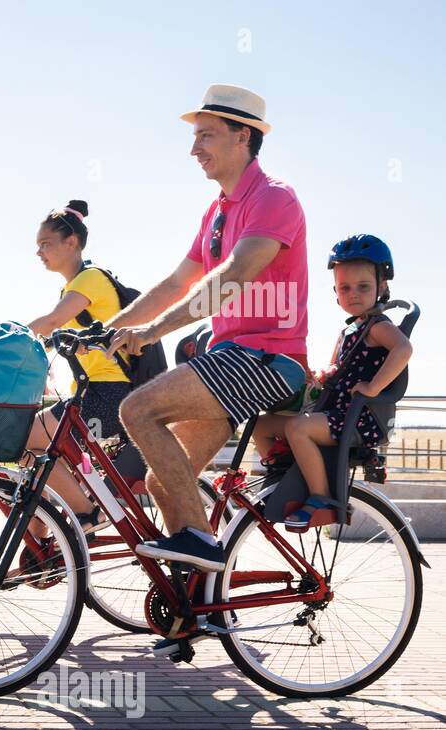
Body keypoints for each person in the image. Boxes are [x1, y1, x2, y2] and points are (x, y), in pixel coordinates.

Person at [107, 84, 309, 571]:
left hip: (269, 361)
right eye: (195, 137)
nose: (193, 148)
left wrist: (155, 330)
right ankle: (200, 602)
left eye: (206, 136)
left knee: (137, 409)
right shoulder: (217, 212)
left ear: (244, 136)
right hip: (229, 362)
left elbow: (234, 276)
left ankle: (201, 544)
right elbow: (178, 281)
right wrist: (107, 327)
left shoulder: (274, 198)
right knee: (161, 482)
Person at [270, 235, 411, 529]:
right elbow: (336, 369)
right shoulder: (349, 331)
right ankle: (284, 474)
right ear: (336, 291)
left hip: (357, 419)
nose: (354, 294)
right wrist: (322, 375)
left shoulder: (377, 326)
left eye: (363, 287)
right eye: (345, 288)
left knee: (297, 426)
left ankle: (321, 496)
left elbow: (404, 349)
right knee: (263, 423)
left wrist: (372, 388)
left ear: (382, 287)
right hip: (337, 413)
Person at [21, 200, 132, 537]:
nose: (39, 252)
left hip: (111, 394)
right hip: (92, 392)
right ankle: (44, 545)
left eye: (45, 244)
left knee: (28, 438)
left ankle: (89, 513)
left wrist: (4, 341)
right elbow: (55, 334)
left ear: (71, 242)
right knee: (30, 455)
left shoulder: (91, 279)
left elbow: (52, 321)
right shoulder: (72, 287)